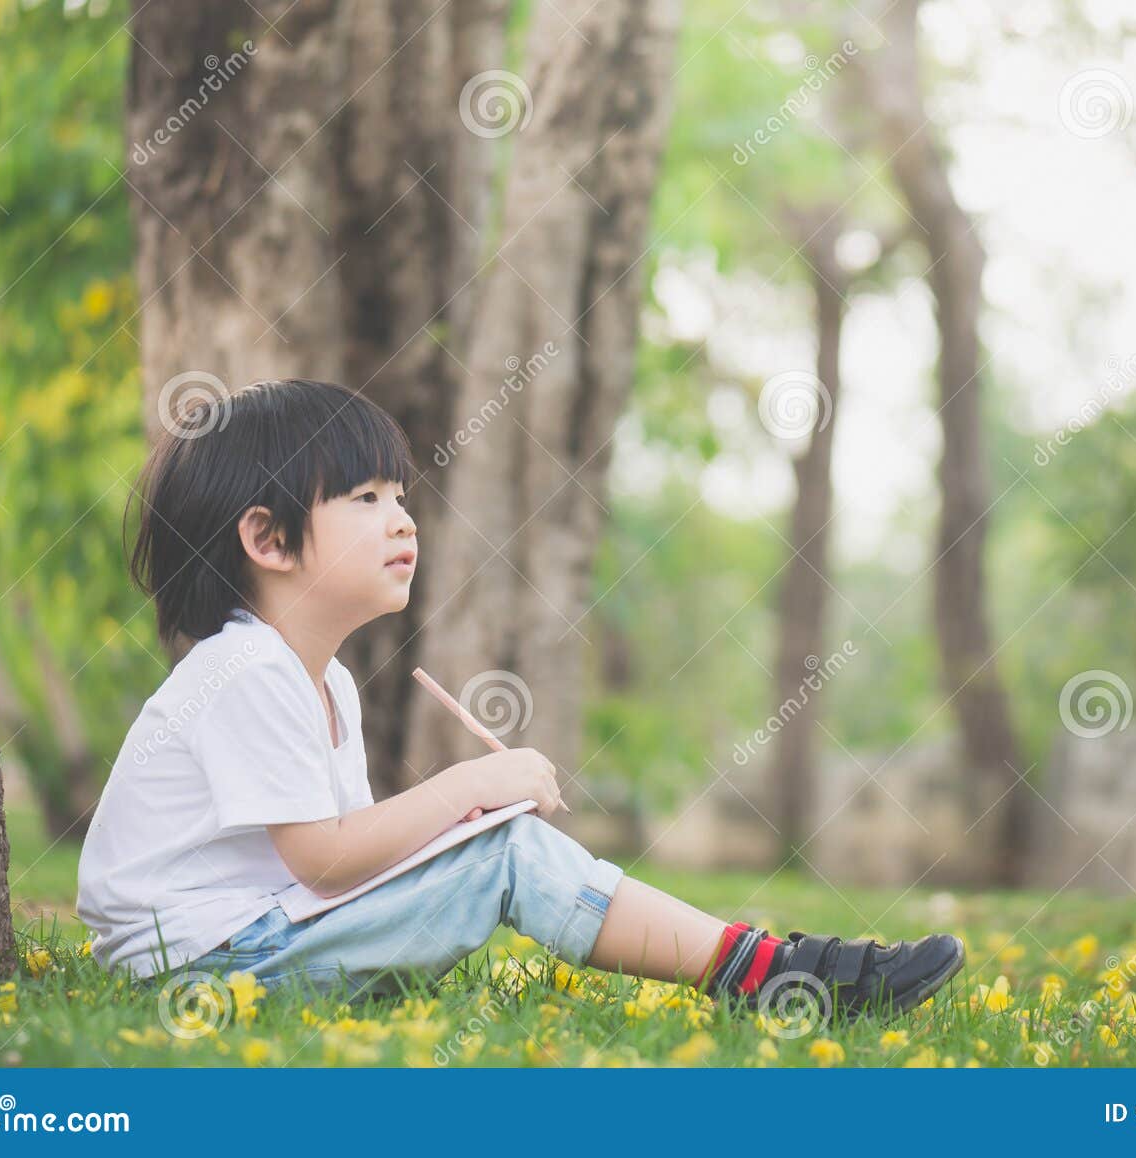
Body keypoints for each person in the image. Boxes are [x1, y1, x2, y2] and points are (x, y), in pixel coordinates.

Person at [75, 378, 965, 1022]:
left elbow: (346, 863)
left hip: (255, 943)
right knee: (504, 855)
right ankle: (770, 972)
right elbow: (326, 862)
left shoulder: (322, 678)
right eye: (365, 498)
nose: (402, 519)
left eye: (400, 496)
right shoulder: (246, 670)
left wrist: (459, 823)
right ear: (268, 540)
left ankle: (766, 963)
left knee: (494, 845)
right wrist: (469, 792)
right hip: (204, 968)